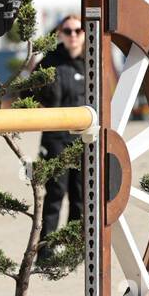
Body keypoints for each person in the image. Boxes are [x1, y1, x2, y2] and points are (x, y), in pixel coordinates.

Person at [36, 16, 87, 256]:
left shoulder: (92, 63)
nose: (73, 35)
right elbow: (29, 92)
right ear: (60, 33)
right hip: (55, 138)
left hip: (83, 139)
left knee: (81, 196)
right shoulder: (49, 62)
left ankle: (74, 249)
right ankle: (46, 250)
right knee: (55, 193)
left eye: (78, 30)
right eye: (68, 30)